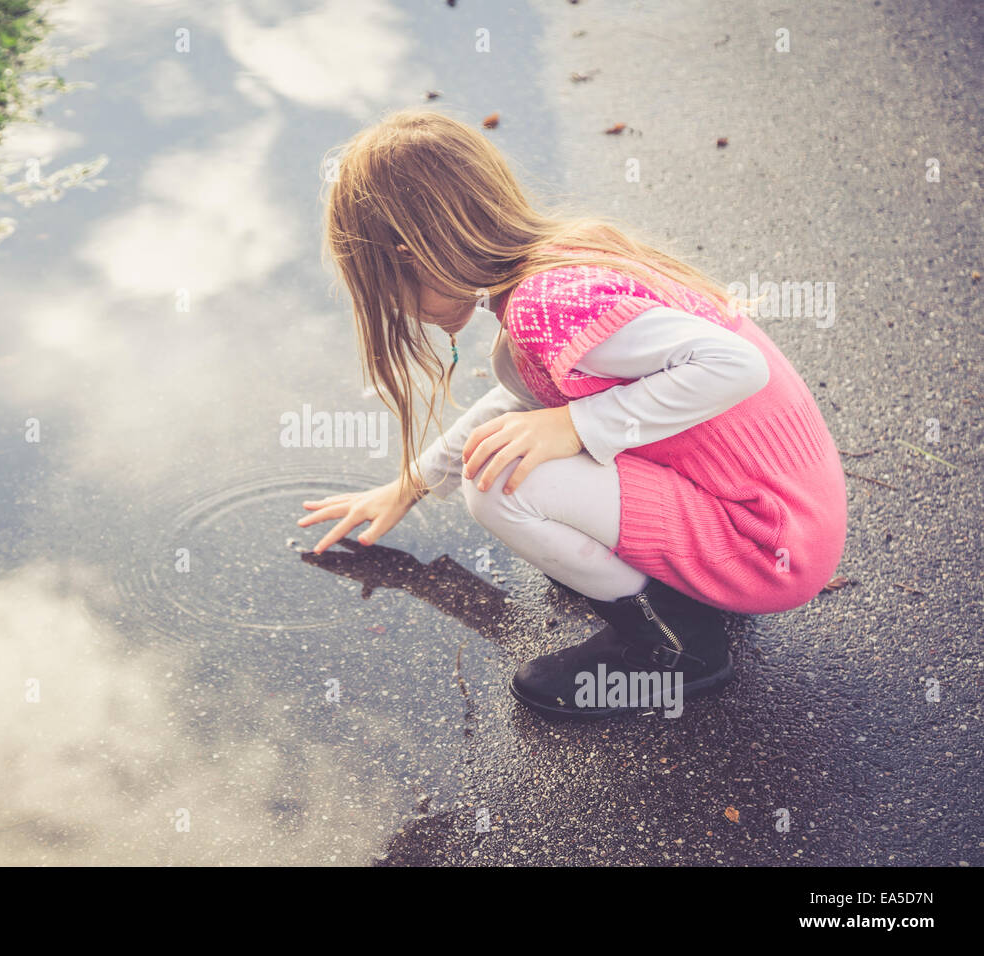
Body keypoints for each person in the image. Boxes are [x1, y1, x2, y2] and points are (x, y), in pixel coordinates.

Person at [298, 109, 847, 719]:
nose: (401, 312)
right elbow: (520, 399)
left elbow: (736, 366)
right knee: (515, 445)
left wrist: (573, 427)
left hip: (768, 543)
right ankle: (663, 590)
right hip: (778, 516)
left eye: (389, 290)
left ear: (415, 257)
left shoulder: (543, 305)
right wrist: (413, 484)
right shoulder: (554, 268)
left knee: (502, 483)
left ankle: (673, 646)